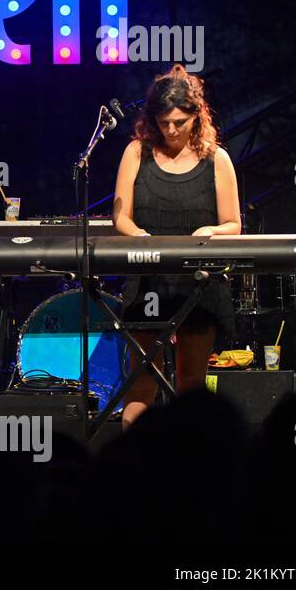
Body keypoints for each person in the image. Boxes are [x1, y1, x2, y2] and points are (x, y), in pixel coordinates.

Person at [113, 64, 240, 428]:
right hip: (148, 279)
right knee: (141, 386)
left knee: (191, 386)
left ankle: (188, 473)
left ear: (196, 117)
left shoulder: (217, 159)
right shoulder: (137, 153)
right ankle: (135, 471)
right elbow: (120, 217)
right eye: (163, 122)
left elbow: (234, 224)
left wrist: (213, 232)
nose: (171, 130)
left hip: (199, 283)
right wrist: (138, 237)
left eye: (179, 123)